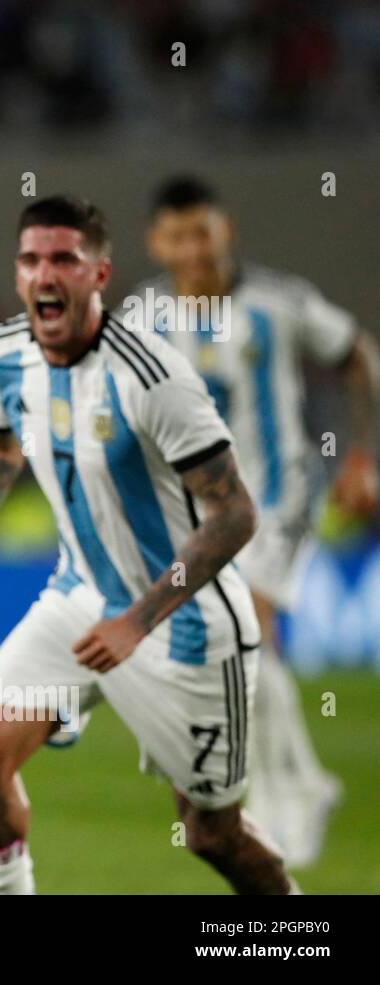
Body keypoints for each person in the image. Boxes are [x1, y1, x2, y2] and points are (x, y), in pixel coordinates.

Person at [0, 196, 296, 894]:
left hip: (188, 626)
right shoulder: (2, 356)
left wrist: (137, 620)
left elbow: (235, 514)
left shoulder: (154, 377)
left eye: (64, 259)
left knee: (212, 833)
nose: (44, 273)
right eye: (30, 259)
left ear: (99, 273)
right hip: (80, 599)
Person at [126, 176, 379, 866]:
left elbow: (357, 353)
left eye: (202, 232)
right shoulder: (142, 315)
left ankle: (283, 798)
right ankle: (294, 783)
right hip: (194, 513)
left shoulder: (280, 301)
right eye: (177, 236)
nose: (192, 248)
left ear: (225, 229)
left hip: (279, 496)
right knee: (231, 648)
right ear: (157, 242)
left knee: (251, 626)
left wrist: (361, 454)